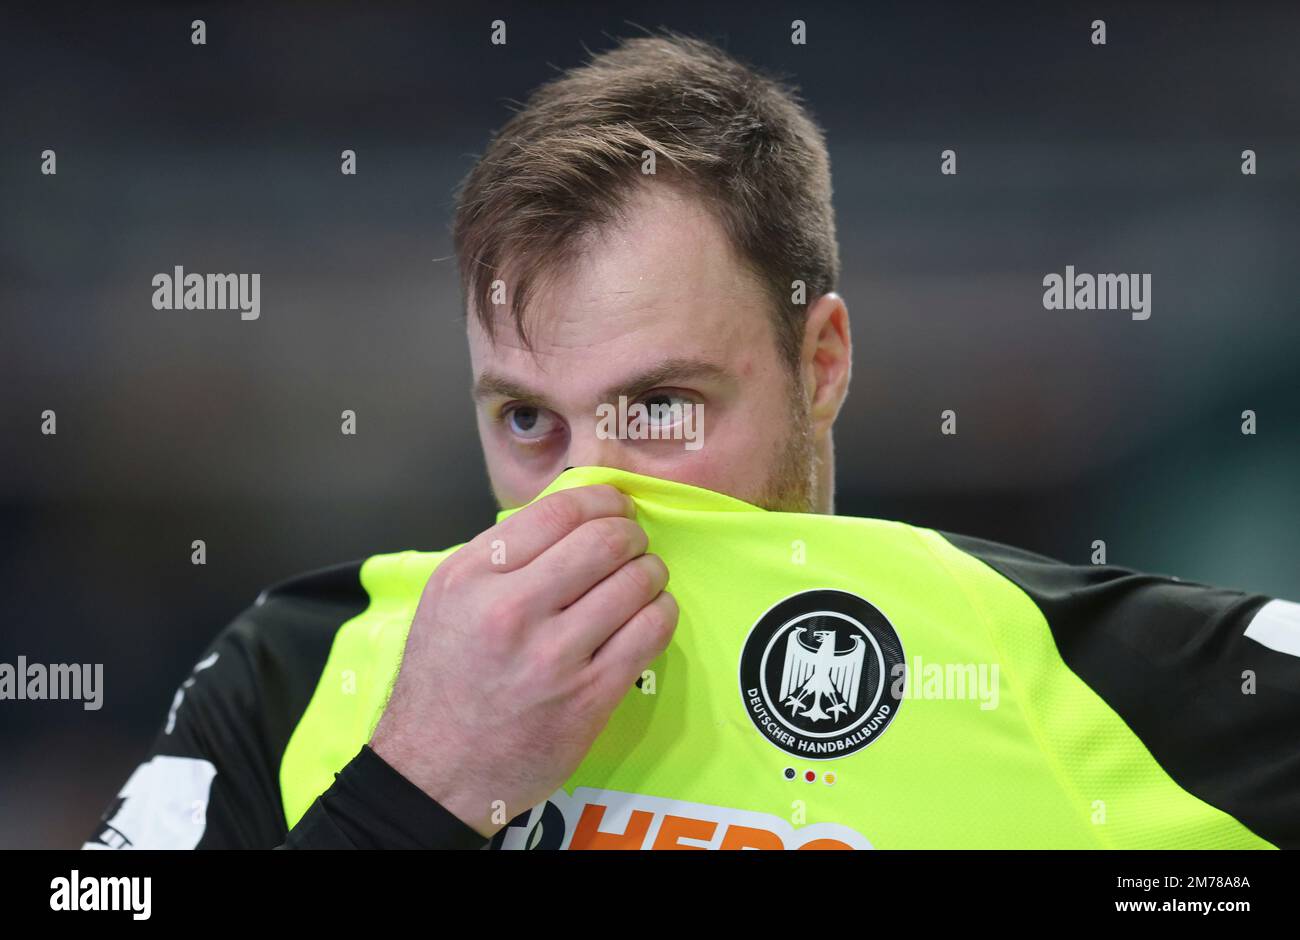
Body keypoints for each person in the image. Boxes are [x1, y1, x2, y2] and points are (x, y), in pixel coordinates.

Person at [84, 32, 1299, 851]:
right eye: (525, 419)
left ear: (820, 363)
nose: (585, 494)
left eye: (659, 406)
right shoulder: (303, 669)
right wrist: (420, 788)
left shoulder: (1069, 671)